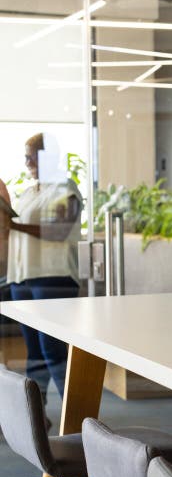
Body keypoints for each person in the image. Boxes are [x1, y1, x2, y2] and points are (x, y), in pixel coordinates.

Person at [6, 132, 83, 406]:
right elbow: (13, 232)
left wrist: (14, 224)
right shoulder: (28, 193)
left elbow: (60, 231)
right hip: (22, 278)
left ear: (48, 156)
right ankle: (37, 417)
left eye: (32, 155)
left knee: (53, 350)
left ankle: (74, 416)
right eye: (25, 156)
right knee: (35, 353)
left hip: (53, 277)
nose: (26, 162)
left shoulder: (66, 188)